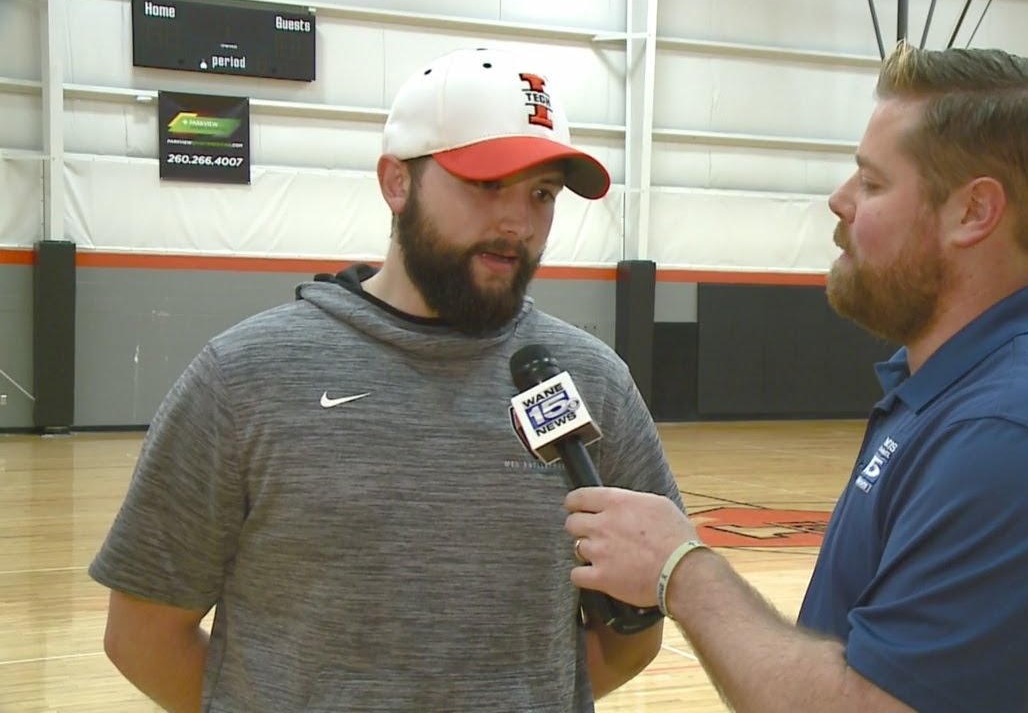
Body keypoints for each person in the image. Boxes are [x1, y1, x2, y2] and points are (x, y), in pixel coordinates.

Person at [563, 40, 1028, 712]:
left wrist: (681, 571)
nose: (839, 199)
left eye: (873, 182)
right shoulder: (952, 395)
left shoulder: (1017, 438)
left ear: (974, 213)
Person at [88, 46, 681, 712]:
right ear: (397, 182)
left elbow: (632, 636)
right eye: (487, 185)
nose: (518, 223)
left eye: (541, 194)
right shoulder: (245, 379)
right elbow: (143, 635)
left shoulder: (594, 381)